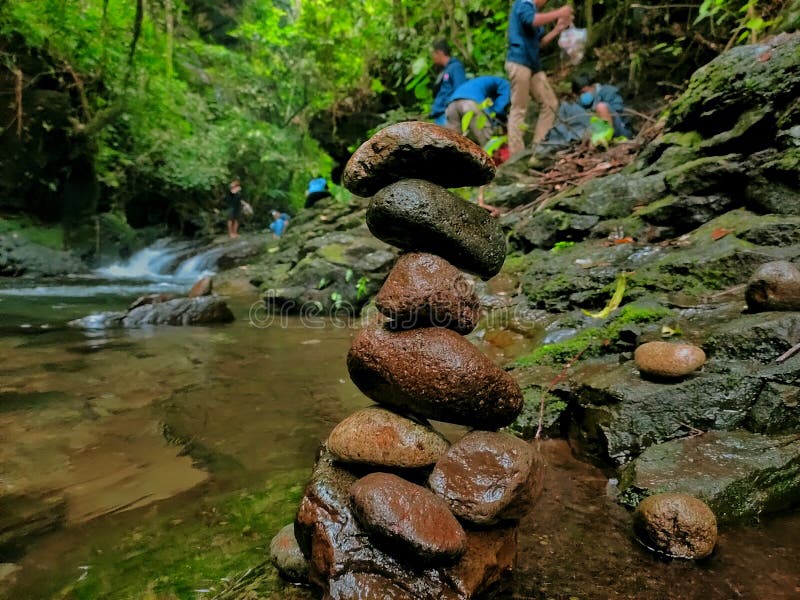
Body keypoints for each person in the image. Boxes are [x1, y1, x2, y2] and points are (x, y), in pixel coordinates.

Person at [505, 0, 574, 159]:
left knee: (550, 103)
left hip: (533, 65)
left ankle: (538, 148)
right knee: (519, 109)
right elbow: (532, 20)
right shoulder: (523, 4)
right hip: (519, 62)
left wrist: (558, 29)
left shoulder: (533, 11)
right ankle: (517, 156)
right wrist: (559, 13)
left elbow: (540, 43)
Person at [444, 76, 511, 147]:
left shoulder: (480, 82)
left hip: (451, 105)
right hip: (469, 103)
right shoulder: (506, 85)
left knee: (454, 142)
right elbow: (499, 108)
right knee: (486, 141)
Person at [429, 39, 467, 126]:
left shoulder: (456, 67)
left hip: (447, 114)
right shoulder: (447, 69)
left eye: (434, 53)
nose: (433, 56)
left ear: (439, 52)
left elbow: (460, 90)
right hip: (440, 115)